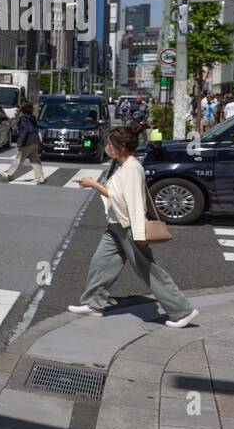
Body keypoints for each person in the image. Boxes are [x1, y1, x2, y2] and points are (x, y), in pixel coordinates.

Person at [69, 126, 198, 328]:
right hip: (115, 225)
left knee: (147, 271)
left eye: (110, 144)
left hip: (129, 227)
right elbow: (117, 194)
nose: (107, 147)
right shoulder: (122, 164)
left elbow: (134, 202)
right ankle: (93, 303)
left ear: (120, 146)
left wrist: (94, 185)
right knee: (101, 263)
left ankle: (183, 310)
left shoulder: (132, 168)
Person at [6, 101, 46, 183]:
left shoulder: (23, 118)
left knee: (19, 158)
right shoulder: (32, 117)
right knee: (35, 160)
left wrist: (20, 141)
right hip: (34, 140)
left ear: (23, 109)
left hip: (27, 141)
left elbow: (24, 130)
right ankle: (40, 177)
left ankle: (9, 174)